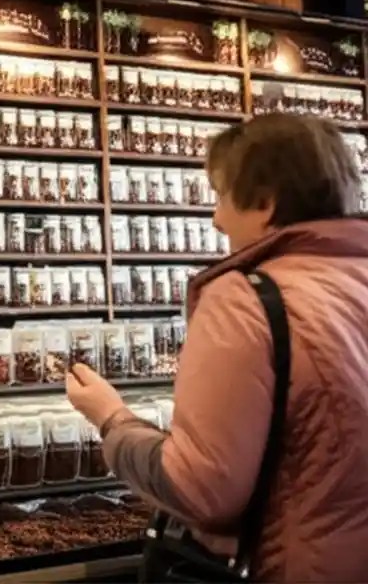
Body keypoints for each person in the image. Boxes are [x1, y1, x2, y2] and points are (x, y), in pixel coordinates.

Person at [65, 113, 368, 582]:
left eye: (222, 195)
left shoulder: (247, 299)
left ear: (265, 201)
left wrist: (113, 421)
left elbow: (201, 489)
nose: (217, 217)